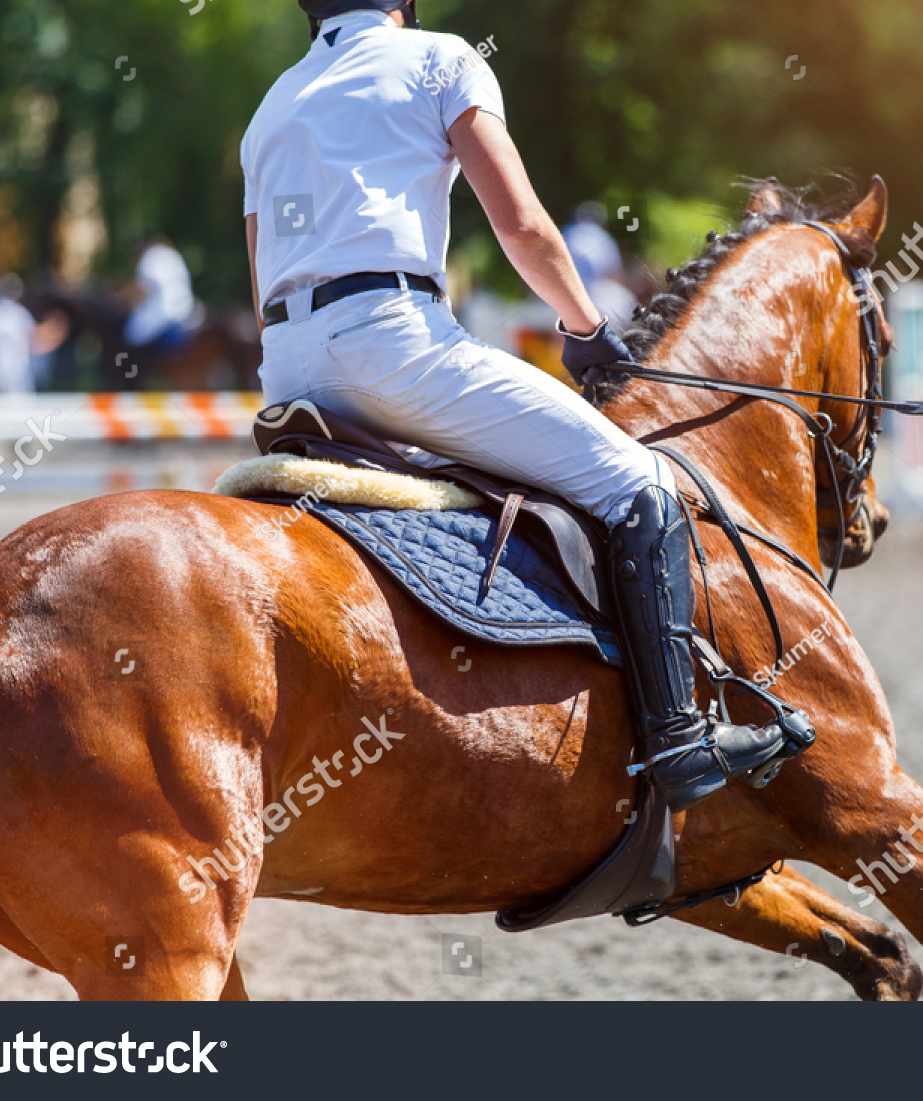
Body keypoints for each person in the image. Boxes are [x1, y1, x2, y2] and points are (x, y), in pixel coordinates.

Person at [241, 0, 799, 810]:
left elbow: (260, 278)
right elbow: (523, 224)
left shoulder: (271, 106)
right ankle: (679, 734)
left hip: (287, 367)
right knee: (639, 483)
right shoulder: (441, 59)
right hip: (392, 344)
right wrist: (586, 326)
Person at [562, 201, 637, 329]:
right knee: (628, 302)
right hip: (593, 292)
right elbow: (613, 273)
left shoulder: (565, 232)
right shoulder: (602, 236)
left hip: (559, 291)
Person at [125, 235, 199, 355]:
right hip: (186, 306)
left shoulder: (147, 259)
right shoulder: (170, 253)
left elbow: (143, 291)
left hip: (163, 313)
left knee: (131, 336)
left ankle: (138, 371)